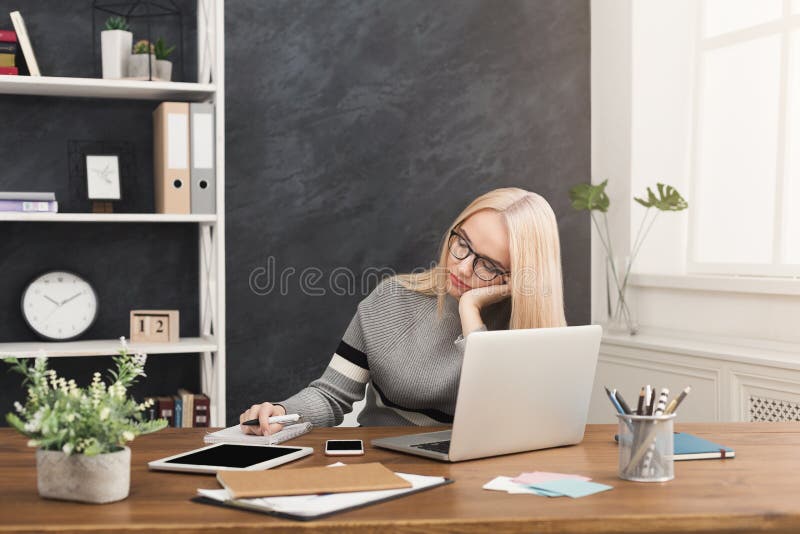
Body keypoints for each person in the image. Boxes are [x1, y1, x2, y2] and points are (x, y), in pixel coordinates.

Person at [240, 187, 566, 435]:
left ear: (516, 277)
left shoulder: (527, 330)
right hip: (383, 466)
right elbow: (331, 395)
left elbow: (506, 423)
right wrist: (282, 412)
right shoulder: (392, 301)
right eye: (463, 243)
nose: (463, 267)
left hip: (478, 485)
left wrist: (470, 315)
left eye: (488, 265)